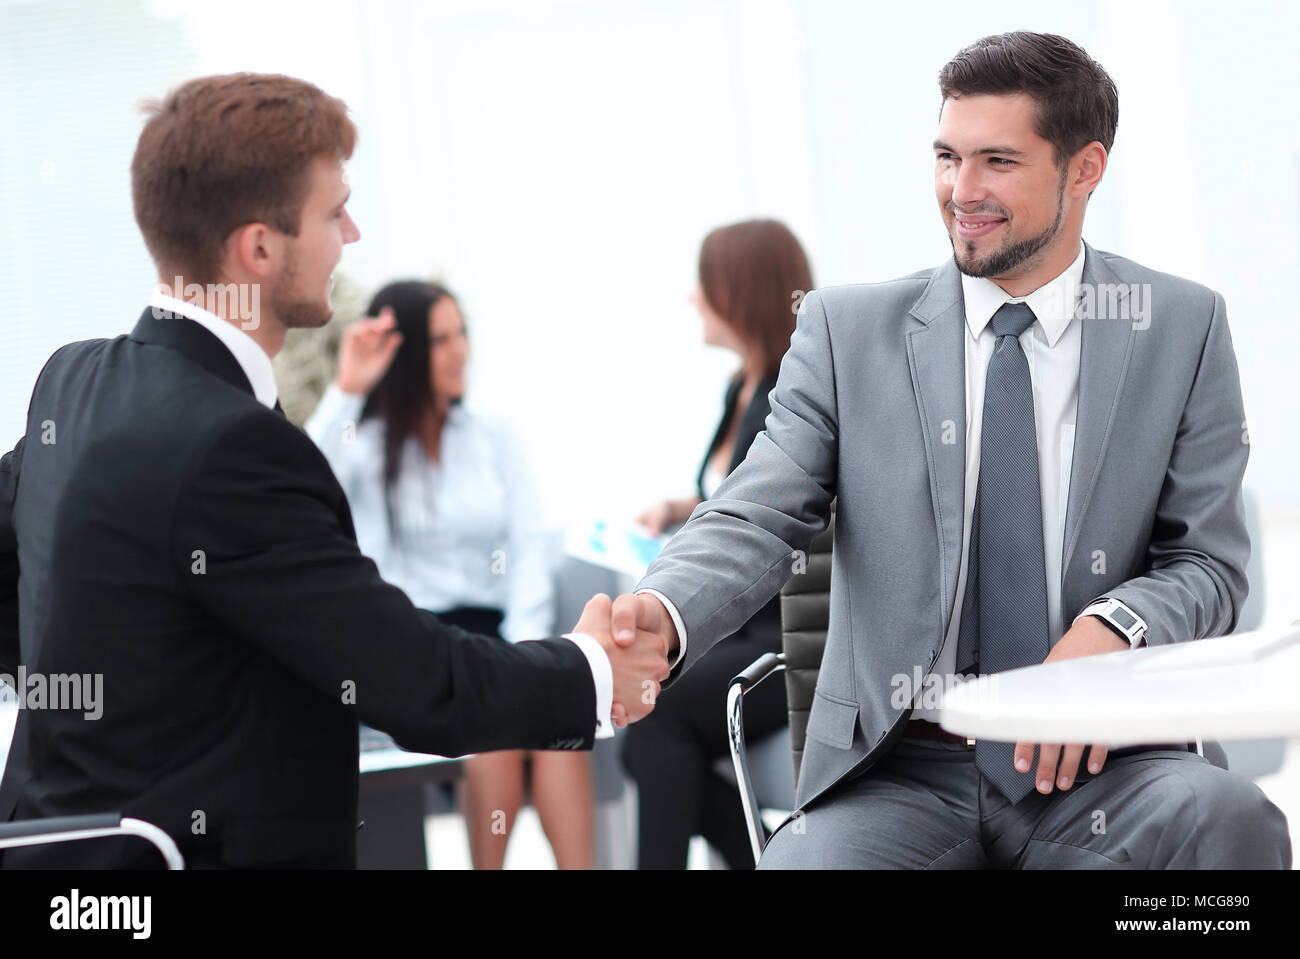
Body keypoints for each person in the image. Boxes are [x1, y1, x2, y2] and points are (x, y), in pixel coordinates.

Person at [605, 32, 1292, 868]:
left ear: (1086, 169)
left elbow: (1210, 563)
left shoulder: (1179, 326)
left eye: (998, 160)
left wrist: (1114, 627)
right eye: (946, 157)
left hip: (1108, 759)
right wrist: (663, 609)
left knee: (1232, 821)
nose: (961, 191)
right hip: (901, 768)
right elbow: (757, 509)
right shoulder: (845, 331)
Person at [0, 72, 668, 869]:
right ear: (258, 247)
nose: (350, 234)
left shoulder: (71, 381)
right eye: (333, 211)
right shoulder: (230, 445)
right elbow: (417, 681)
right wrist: (593, 668)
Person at [305, 280, 594, 869]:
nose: (460, 350)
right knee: (493, 723)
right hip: (415, 642)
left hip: (499, 631)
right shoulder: (366, 443)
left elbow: (528, 546)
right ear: (408, 353)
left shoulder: (493, 435)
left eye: (462, 334)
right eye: (441, 340)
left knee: (561, 725)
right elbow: (305, 480)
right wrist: (347, 389)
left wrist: (524, 654)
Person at [623, 220, 809, 868]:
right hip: (737, 624)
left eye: (705, 283)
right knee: (643, 729)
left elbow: (788, 505)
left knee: (650, 720)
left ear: (739, 289)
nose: (693, 299)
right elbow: (747, 494)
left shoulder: (793, 392)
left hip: (782, 636)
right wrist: (682, 508)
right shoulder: (743, 387)